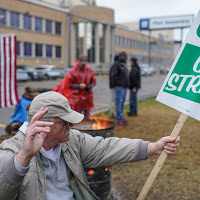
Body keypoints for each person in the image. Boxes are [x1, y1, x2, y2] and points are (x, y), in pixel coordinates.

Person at [0, 91, 180, 200]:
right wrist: (24, 157)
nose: (71, 126)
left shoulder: (71, 141)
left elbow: (107, 148)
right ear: (43, 124)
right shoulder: (11, 150)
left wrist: (153, 147)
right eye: (65, 122)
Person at [64, 55, 96, 119]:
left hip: (87, 97)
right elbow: (69, 85)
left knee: (87, 115)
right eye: (82, 64)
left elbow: (94, 81)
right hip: (76, 98)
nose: (83, 66)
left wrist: (89, 86)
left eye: (84, 64)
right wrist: (78, 86)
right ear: (78, 61)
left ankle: (87, 127)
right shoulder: (72, 72)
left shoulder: (89, 70)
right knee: (77, 116)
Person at [110, 51, 129, 126]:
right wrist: (119, 83)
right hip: (119, 87)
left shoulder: (124, 64)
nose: (124, 57)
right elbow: (113, 76)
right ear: (120, 56)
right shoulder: (117, 64)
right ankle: (119, 120)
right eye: (122, 56)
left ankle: (121, 118)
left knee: (121, 104)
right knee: (118, 103)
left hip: (124, 87)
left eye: (125, 56)